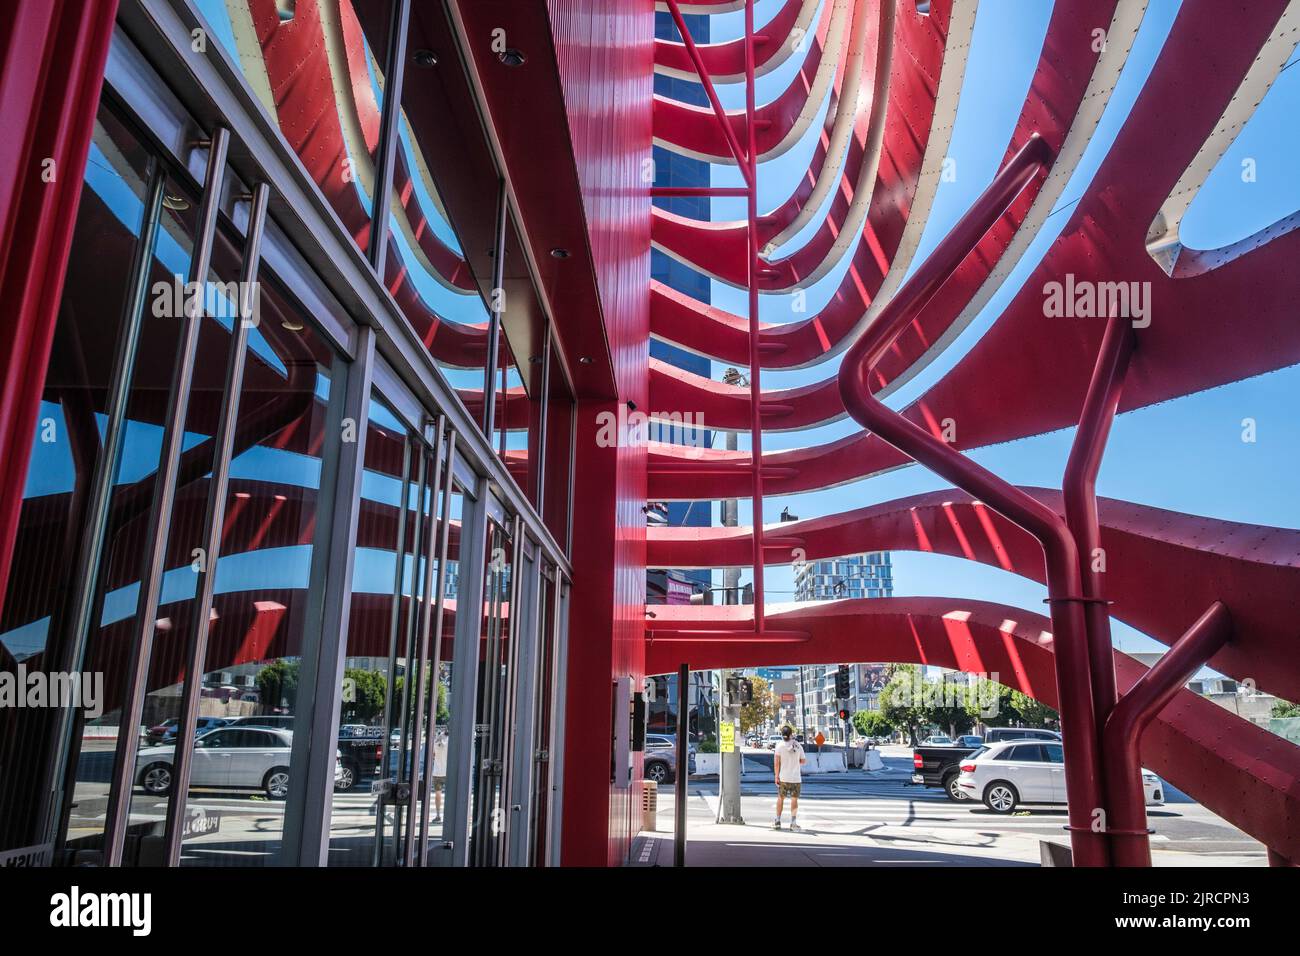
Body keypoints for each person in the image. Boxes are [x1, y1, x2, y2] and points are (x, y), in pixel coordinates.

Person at [773, 724, 806, 831]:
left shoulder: (779, 746)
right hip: (796, 778)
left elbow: (776, 763)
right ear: (791, 734)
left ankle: (777, 821)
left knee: (780, 799)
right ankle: (793, 822)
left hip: (783, 777)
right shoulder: (798, 745)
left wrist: (776, 776)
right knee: (794, 800)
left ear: (782, 735)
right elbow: (803, 761)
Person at [431, 727, 449, 823]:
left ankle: (438, 815)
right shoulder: (450, 742)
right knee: (450, 795)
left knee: (438, 794)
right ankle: (449, 814)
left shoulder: (435, 742)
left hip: (437, 772)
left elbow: (433, 755)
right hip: (448, 772)